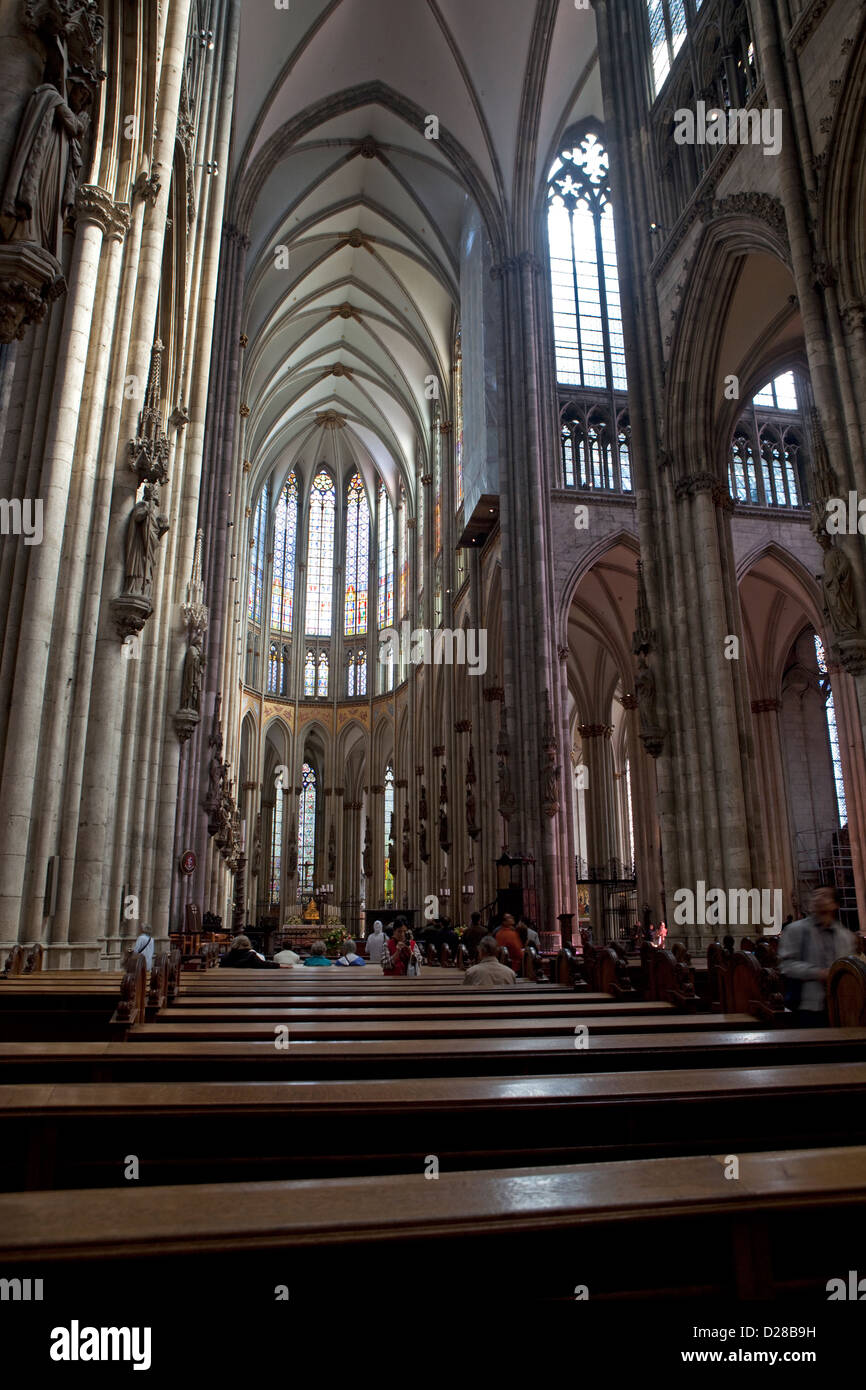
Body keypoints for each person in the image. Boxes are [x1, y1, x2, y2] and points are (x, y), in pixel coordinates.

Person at [778, 885, 856, 1026]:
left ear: (835, 904)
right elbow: (786, 966)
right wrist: (819, 973)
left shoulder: (845, 936)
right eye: (815, 895)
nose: (818, 898)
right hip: (807, 1005)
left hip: (841, 1004)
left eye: (824, 895)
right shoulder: (794, 930)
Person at [220, 934, 285, 968]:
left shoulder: (225, 957)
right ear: (247, 944)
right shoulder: (251, 956)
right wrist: (278, 965)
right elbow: (263, 964)